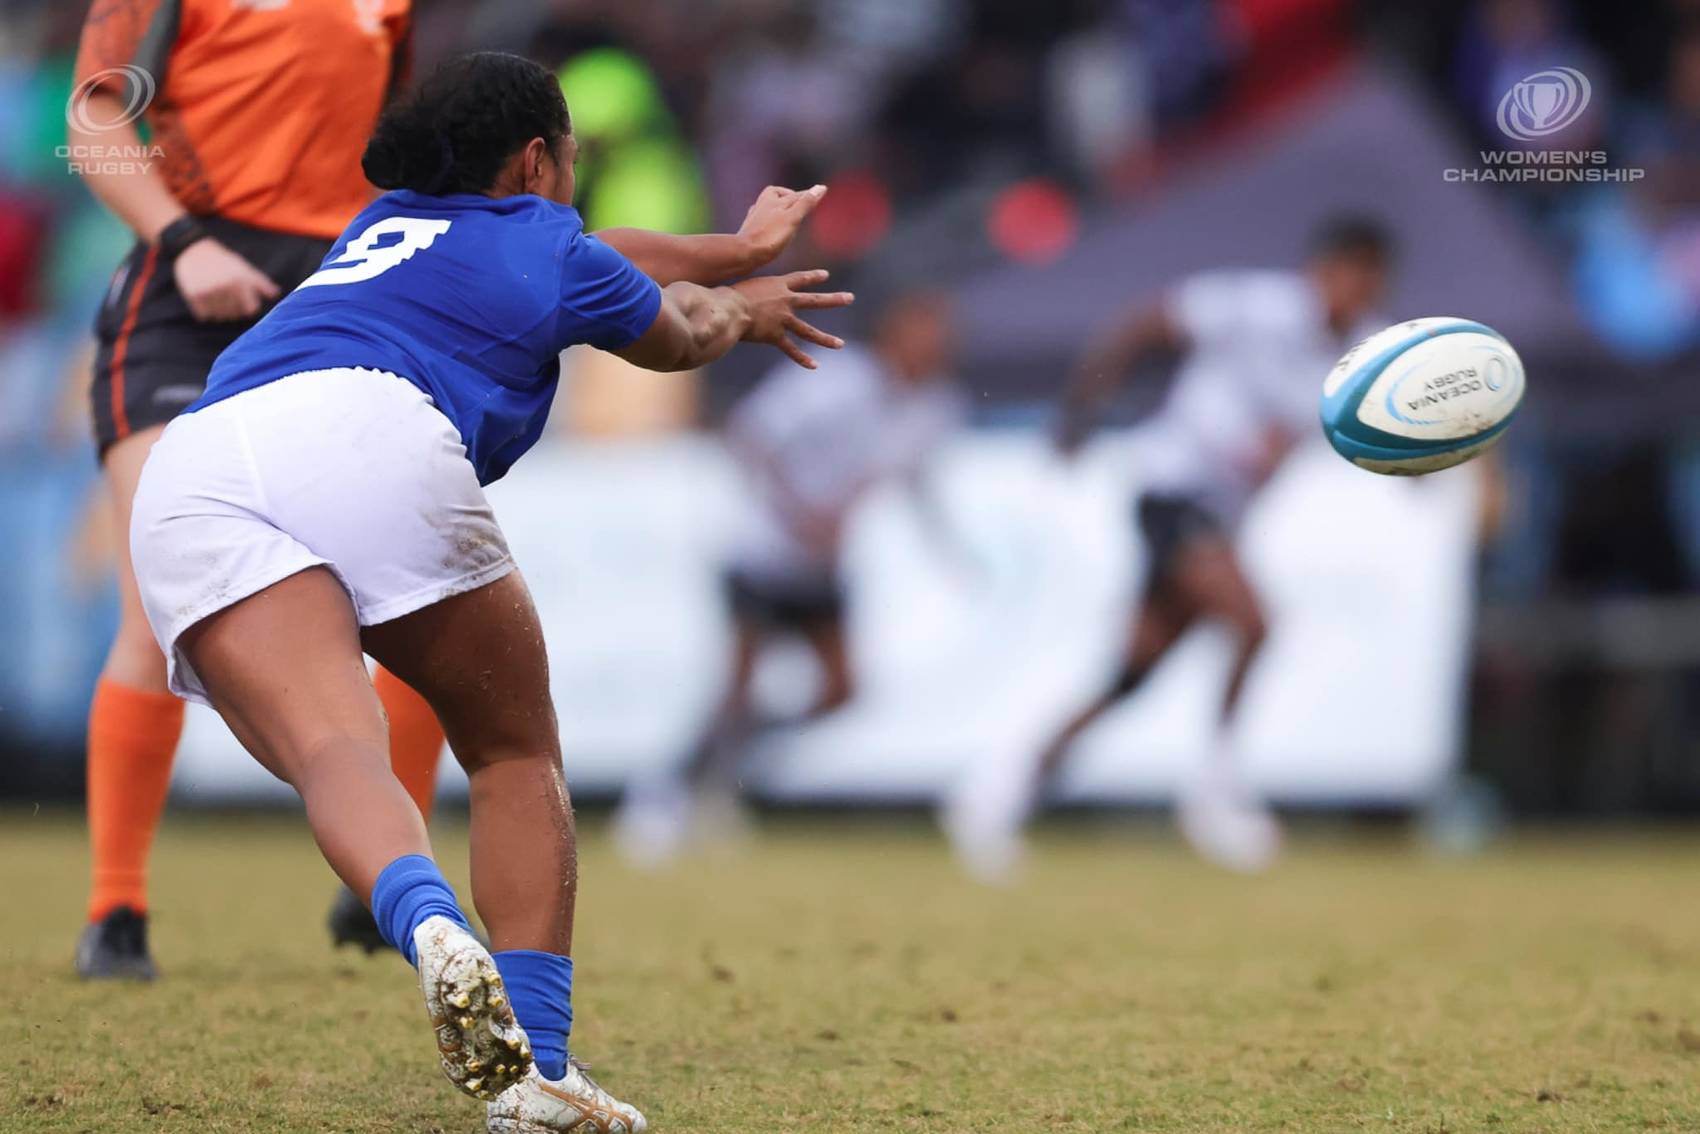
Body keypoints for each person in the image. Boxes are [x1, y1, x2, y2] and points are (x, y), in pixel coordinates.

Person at [127, 51, 851, 1131]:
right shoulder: (549, 243)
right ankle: (539, 1072)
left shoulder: (381, 223)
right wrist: (738, 301)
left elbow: (589, 248)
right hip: (366, 427)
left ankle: (423, 923)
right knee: (511, 751)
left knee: (336, 748)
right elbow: (674, 325)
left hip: (198, 457)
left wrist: (728, 246)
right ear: (536, 158)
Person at [66, 0, 454, 975]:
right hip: (185, 288)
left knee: (427, 601)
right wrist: (184, 240)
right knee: (157, 605)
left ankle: (384, 883)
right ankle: (116, 910)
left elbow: (396, 144)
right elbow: (94, 122)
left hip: (334, 291)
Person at [944, 216, 1394, 879]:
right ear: (1324, 270)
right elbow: (1146, 324)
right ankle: (1214, 791)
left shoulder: (1366, 351)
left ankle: (998, 788)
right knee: (1253, 621)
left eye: (1371, 282)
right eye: (1351, 275)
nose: (1357, 292)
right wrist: (1080, 412)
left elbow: (1412, 412)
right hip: (1171, 487)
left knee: (1132, 671)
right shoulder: (1260, 307)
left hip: (1223, 512)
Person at [615, 291, 965, 864]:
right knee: (738, 684)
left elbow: (916, 483)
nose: (935, 343)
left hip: (821, 566)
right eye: (923, 327)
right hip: (762, 549)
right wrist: (797, 508)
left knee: (841, 690)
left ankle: (729, 764)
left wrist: (952, 556)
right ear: (893, 331)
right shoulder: (836, 382)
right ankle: (666, 789)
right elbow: (750, 433)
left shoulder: (934, 408)